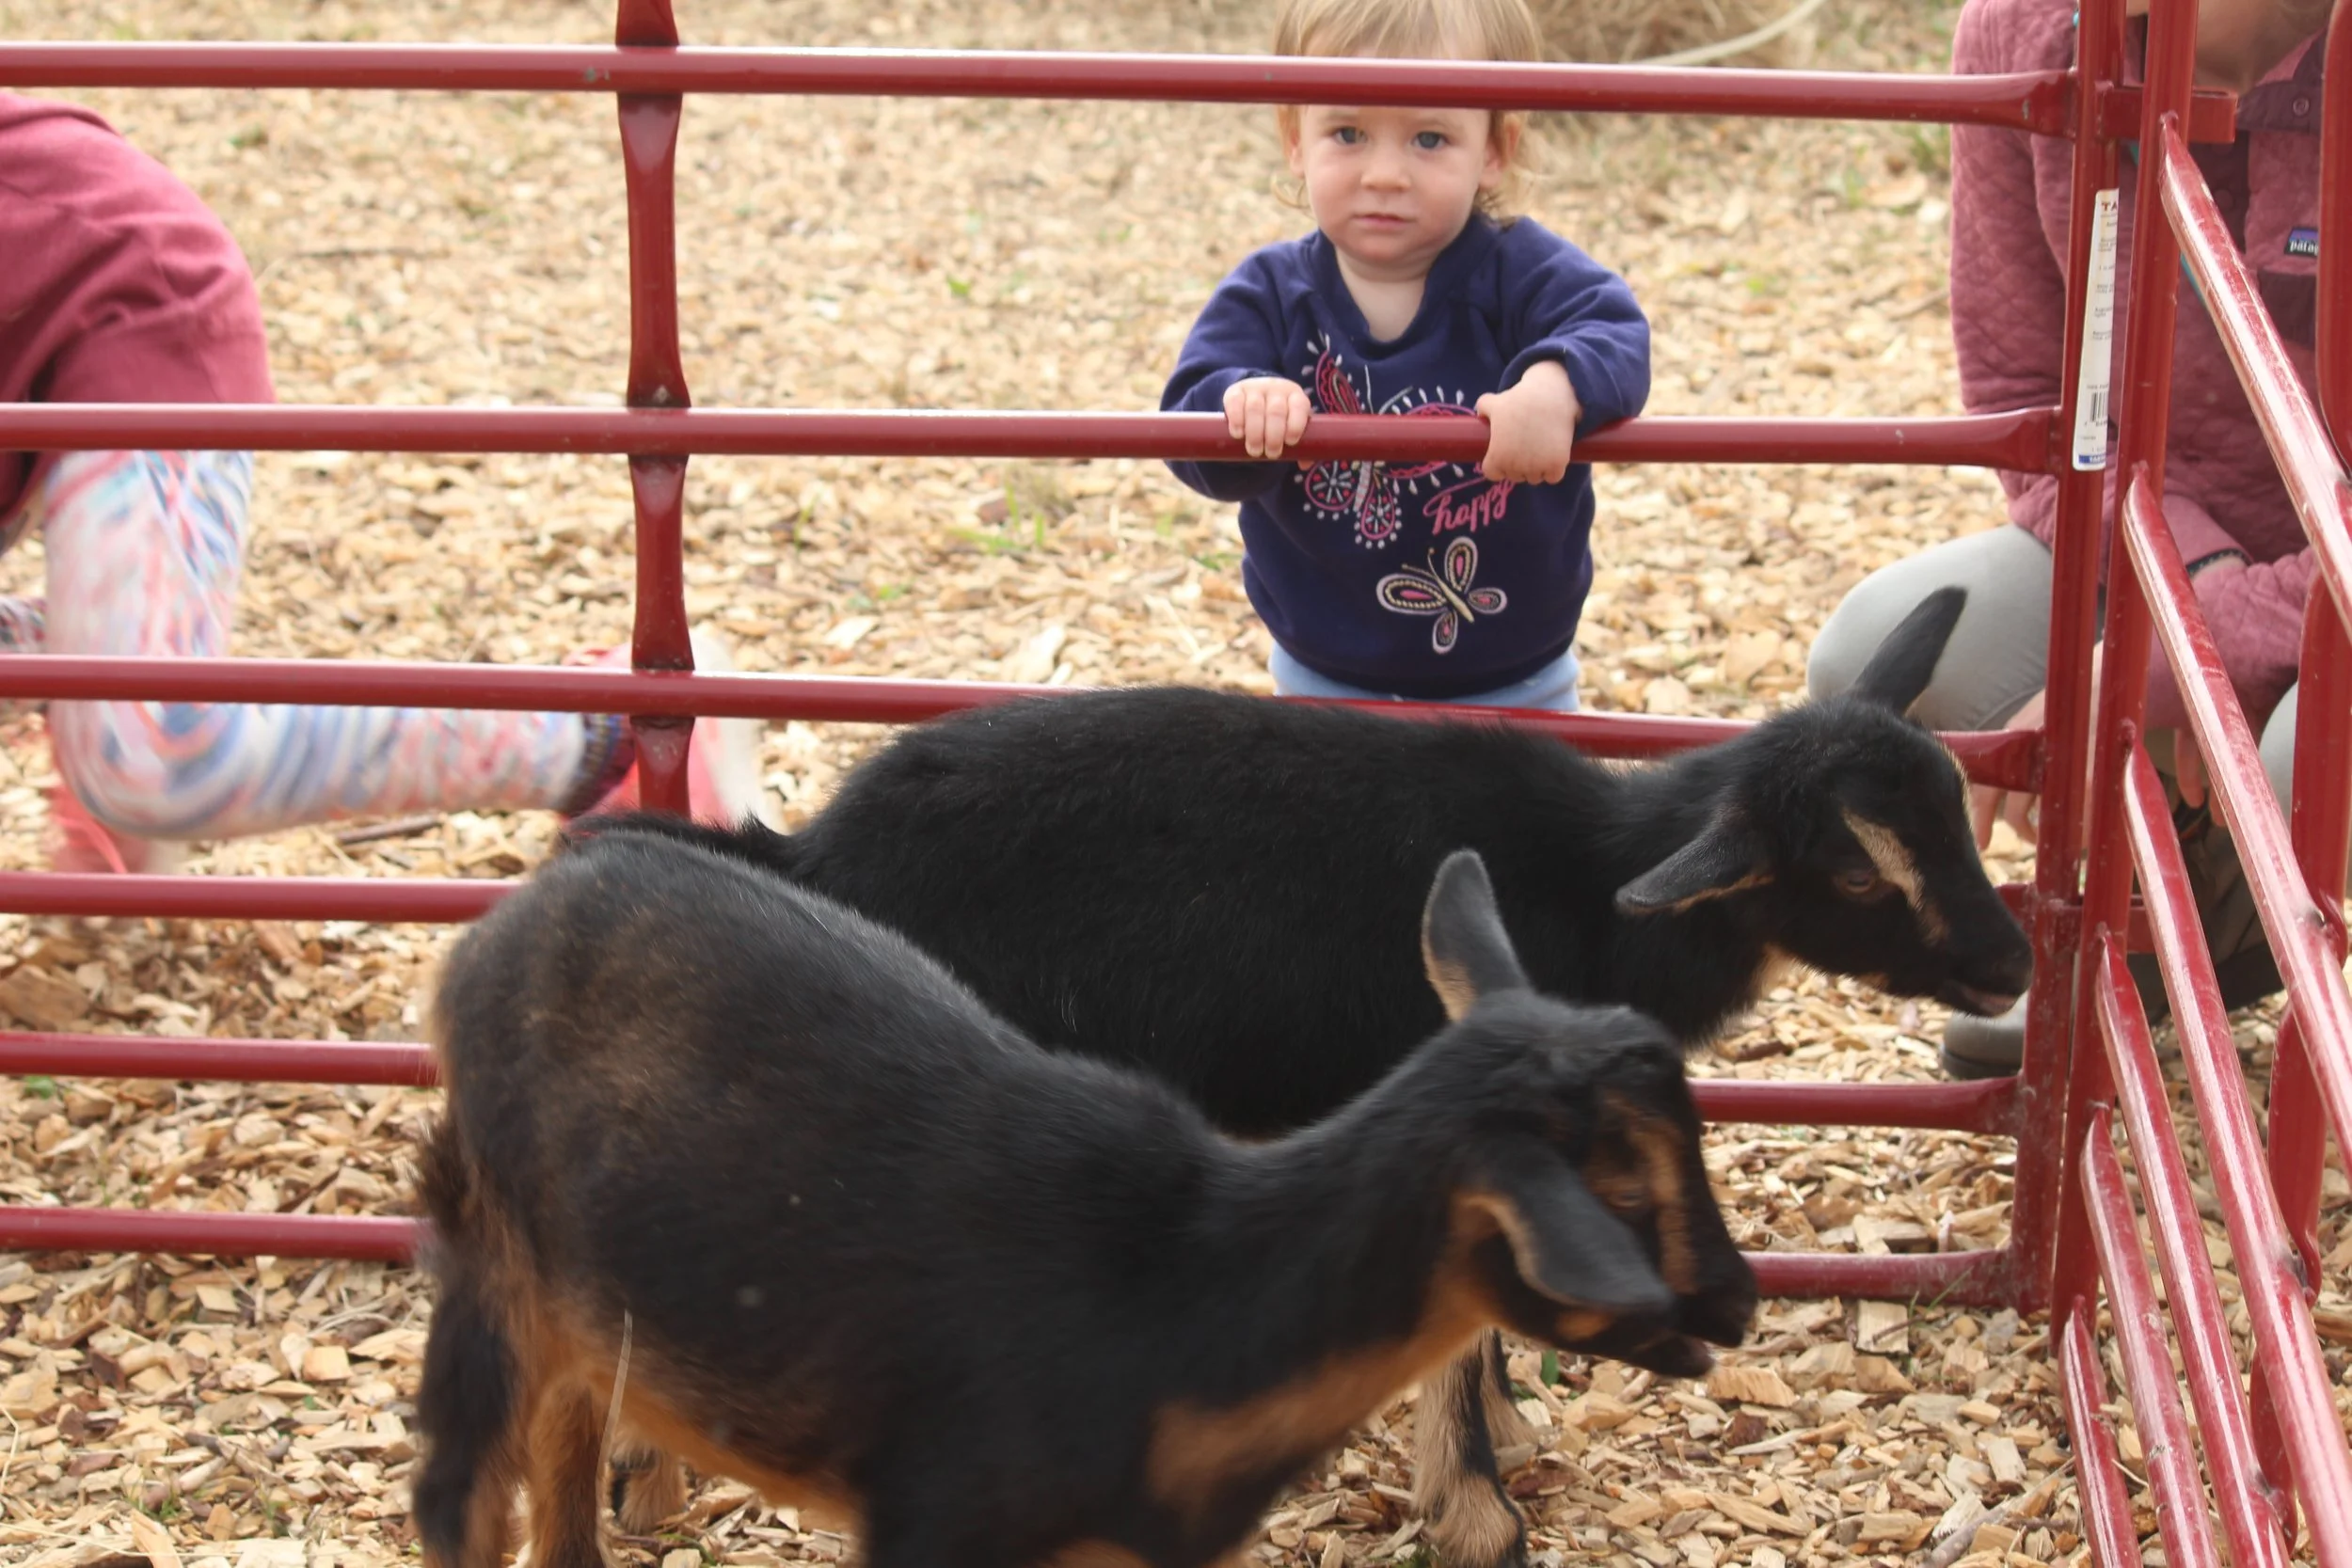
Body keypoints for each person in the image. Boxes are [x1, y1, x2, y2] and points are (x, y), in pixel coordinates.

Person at [0, 90, 761, 875]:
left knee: (157, 759)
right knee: (127, 735)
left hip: (126, 300)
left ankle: (611, 735)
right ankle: (106, 676)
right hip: (56, 298)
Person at [1804, 0, 2334, 1077]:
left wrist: (2192, 647)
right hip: (2166, 541)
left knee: (2301, 762)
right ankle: (2166, 933)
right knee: (1874, 657)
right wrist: (2187, 603)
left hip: (2326, 567)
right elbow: (2027, 394)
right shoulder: (2026, 31)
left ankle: (2265, 915)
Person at [1159, 0, 1651, 711]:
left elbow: (1614, 329)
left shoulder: (1522, 271)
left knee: (1538, 824)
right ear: (1296, 137)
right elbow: (1191, 414)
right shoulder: (1270, 292)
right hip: (1324, 675)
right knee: (1329, 824)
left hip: (1518, 677)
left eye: (1428, 138)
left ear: (1493, 150)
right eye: (1349, 132)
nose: (1385, 174)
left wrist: (1556, 384)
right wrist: (1243, 400)